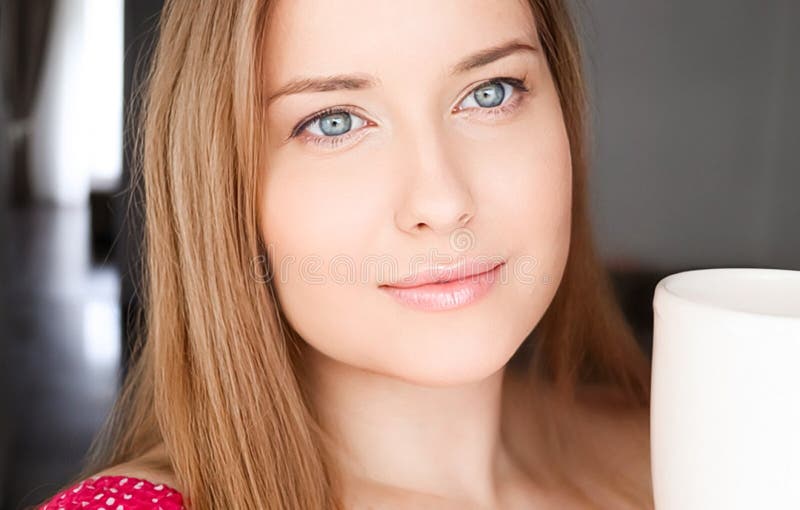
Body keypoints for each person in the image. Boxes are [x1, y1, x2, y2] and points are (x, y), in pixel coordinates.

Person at [39, 0, 652, 508]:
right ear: (225, 189)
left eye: (490, 93)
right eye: (334, 122)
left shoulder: (680, 446)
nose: (442, 202)